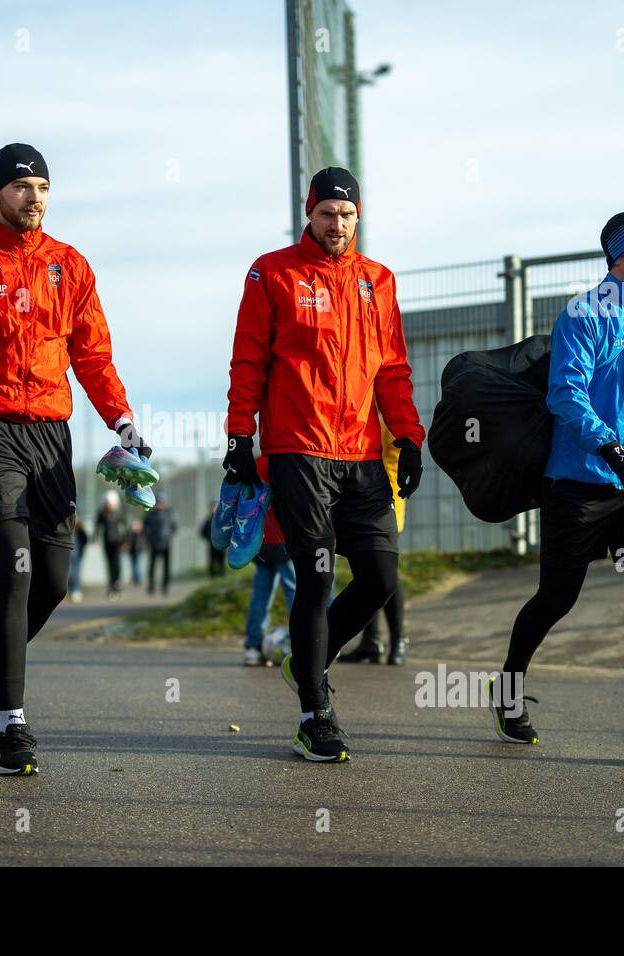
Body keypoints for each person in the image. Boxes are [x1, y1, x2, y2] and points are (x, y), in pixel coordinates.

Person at [0, 143, 151, 775]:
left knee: (55, 581)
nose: (32, 197)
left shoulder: (70, 266)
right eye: (20, 187)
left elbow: (93, 356)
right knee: (13, 570)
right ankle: (12, 723)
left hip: (51, 434)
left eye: (42, 186)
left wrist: (121, 420)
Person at [488, 212, 624, 770]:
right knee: (557, 598)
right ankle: (508, 688)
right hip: (582, 481)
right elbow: (566, 394)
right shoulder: (583, 315)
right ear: (616, 255)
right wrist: (612, 449)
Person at [224, 167, 424, 762]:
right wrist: (241, 435)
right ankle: (316, 711)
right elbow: (248, 362)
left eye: (347, 215)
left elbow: (392, 370)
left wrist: (409, 437)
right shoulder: (272, 272)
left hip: (361, 455)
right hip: (297, 450)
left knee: (381, 578)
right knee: (314, 575)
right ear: (307, 213)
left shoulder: (378, 281)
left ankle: (306, 661)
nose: (337, 224)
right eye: (327, 213)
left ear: (358, 217)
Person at [339, 418, 409, 664]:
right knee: (366, 570)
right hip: (363, 496)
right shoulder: (369, 407)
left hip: (386, 498)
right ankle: (372, 641)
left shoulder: (389, 411)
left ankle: (398, 640)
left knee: (385, 571)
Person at [243, 456, 297, 666]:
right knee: (294, 591)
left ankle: (253, 647)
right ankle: (297, 644)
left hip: (259, 538)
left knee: (261, 593)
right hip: (284, 538)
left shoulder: (253, 464)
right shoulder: (284, 462)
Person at [142, 492, 176, 595]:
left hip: (166, 543)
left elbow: (174, 527)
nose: (159, 505)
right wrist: (149, 537)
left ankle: (165, 587)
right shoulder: (150, 515)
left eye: (161, 502)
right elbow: (145, 528)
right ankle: (151, 586)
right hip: (153, 544)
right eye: (158, 502)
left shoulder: (169, 514)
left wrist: (168, 535)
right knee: (152, 566)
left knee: (166, 567)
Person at [96, 491, 127, 600]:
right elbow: (98, 527)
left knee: (117, 564)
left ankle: (117, 585)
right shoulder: (102, 513)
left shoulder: (119, 513)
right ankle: (111, 586)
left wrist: (125, 541)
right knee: (109, 565)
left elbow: (124, 527)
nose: (110, 505)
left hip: (117, 542)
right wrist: (96, 538)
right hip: (107, 542)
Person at [67, 514, 87, 603]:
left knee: (75, 573)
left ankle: (75, 590)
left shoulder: (79, 530)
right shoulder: (66, 530)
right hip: (67, 555)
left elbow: (85, 539)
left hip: (77, 554)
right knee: (69, 574)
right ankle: (71, 590)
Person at [200, 508, 226, 577]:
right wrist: (209, 538)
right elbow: (202, 532)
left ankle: (221, 574)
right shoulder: (208, 521)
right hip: (212, 544)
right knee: (212, 561)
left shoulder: (222, 520)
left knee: (221, 560)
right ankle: (213, 575)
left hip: (221, 544)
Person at [126, 517, 144, 586]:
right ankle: (134, 578)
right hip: (132, 550)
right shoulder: (130, 532)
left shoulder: (141, 532)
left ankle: (138, 579)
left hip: (139, 550)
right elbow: (128, 539)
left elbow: (143, 540)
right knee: (133, 564)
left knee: (138, 564)